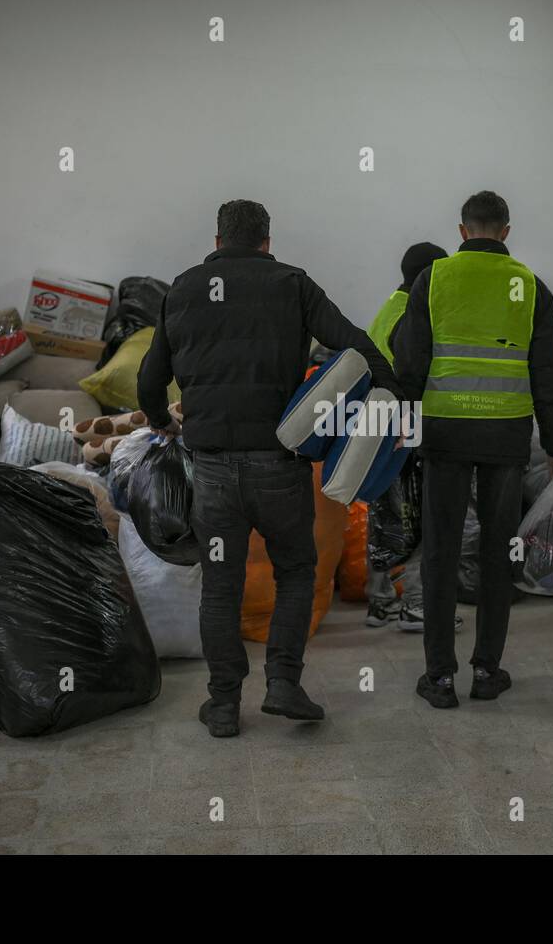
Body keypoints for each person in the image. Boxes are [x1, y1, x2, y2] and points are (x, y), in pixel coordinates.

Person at [137, 199, 400, 738]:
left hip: (210, 472)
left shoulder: (184, 288)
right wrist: (390, 391)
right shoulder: (292, 283)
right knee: (297, 572)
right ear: (266, 242)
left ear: (217, 242)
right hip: (279, 467)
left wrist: (165, 419)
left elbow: (149, 381)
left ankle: (224, 705)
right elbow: (356, 343)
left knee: (220, 585)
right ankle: (283, 683)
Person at [393, 190, 553, 708]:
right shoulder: (531, 286)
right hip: (506, 436)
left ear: (463, 231)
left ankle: (440, 678)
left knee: (442, 552)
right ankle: (487, 670)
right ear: (506, 232)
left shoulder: (434, 278)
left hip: (445, 434)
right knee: (498, 553)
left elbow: (410, 360)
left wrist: (404, 422)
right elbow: (548, 375)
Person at [364, 242, 462, 634]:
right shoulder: (417, 311)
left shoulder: (389, 306)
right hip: (408, 427)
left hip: (376, 427)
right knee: (419, 514)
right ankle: (418, 605)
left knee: (385, 516)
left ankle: (381, 602)